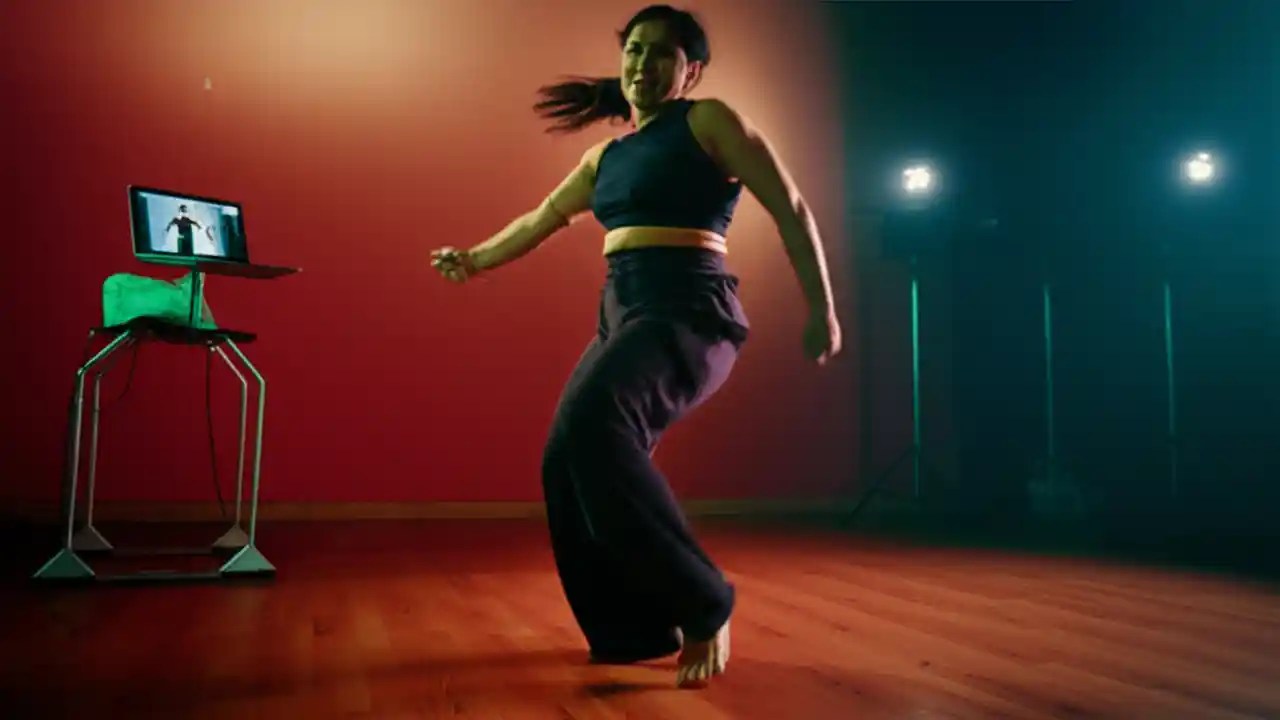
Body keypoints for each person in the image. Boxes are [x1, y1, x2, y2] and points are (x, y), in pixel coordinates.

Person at [429, 4, 841, 688]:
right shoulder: (605, 158)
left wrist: (822, 309)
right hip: (623, 312)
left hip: (687, 309)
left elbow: (790, 204)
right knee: (565, 458)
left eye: (660, 54)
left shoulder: (707, 121)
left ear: (691, 69)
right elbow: (541, 218)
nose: (642, 65)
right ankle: (630, 630)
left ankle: (705, 602)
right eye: (634, 51)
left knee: (595, 426)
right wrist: (474, 259)